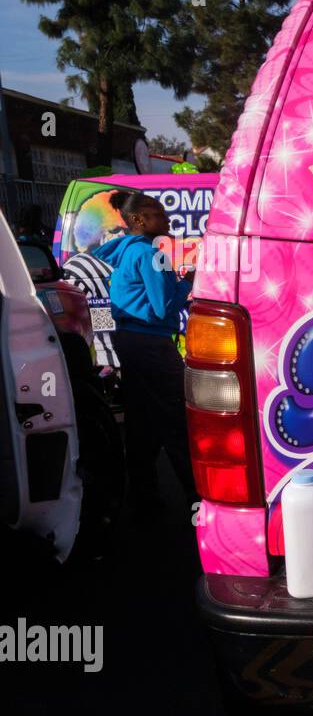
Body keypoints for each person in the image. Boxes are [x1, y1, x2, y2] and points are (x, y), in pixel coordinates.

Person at [91, 191, 197, 514]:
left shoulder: (127, 251)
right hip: (152, 345)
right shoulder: (153, 254)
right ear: (138, 220)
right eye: (159, 214)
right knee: (178, 419)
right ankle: (199, 500)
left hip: (131, 342)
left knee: (141, 421)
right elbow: (163, 306)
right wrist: (189, 280)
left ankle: (143, 496)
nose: (167, 220)